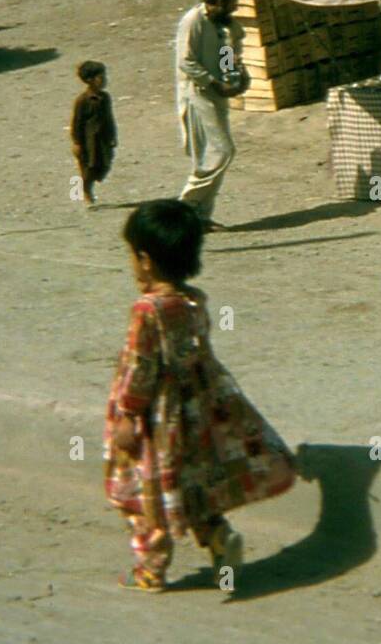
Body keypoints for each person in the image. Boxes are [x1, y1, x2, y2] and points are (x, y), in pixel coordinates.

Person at [104, 199, 298, 593]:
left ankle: (150, 570)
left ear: (144, 260)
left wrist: (127, 415)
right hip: (193, 414)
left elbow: (141, 368)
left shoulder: (147, 310)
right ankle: (217, 536)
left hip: (155, 421)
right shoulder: (193, 301)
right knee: (190, 484)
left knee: (146, 493)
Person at [175, 0, 249, 231]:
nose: (234, 8)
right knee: (221, 151)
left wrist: (235, 76)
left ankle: (201, 216)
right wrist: (215, 84)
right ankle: (185, 207)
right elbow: (186, 61)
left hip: (215, 94)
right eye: (231, 4)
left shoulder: (221, 25)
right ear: (218, 1)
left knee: (212, 154)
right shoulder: (193, 20)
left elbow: (227, 57)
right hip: (197, 93)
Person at [70, 60, 117, 206]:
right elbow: (76, 123)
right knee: (88, 167)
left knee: (103, 165)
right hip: (89, 141)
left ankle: (85, 188)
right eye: (100, 77)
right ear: (90, 80)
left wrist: (113, 136)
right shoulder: (82, 101)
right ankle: (83, 192)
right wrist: (77, 142)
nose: (104, 80)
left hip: (103, 139)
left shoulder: (105, 97)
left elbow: (110, 118)